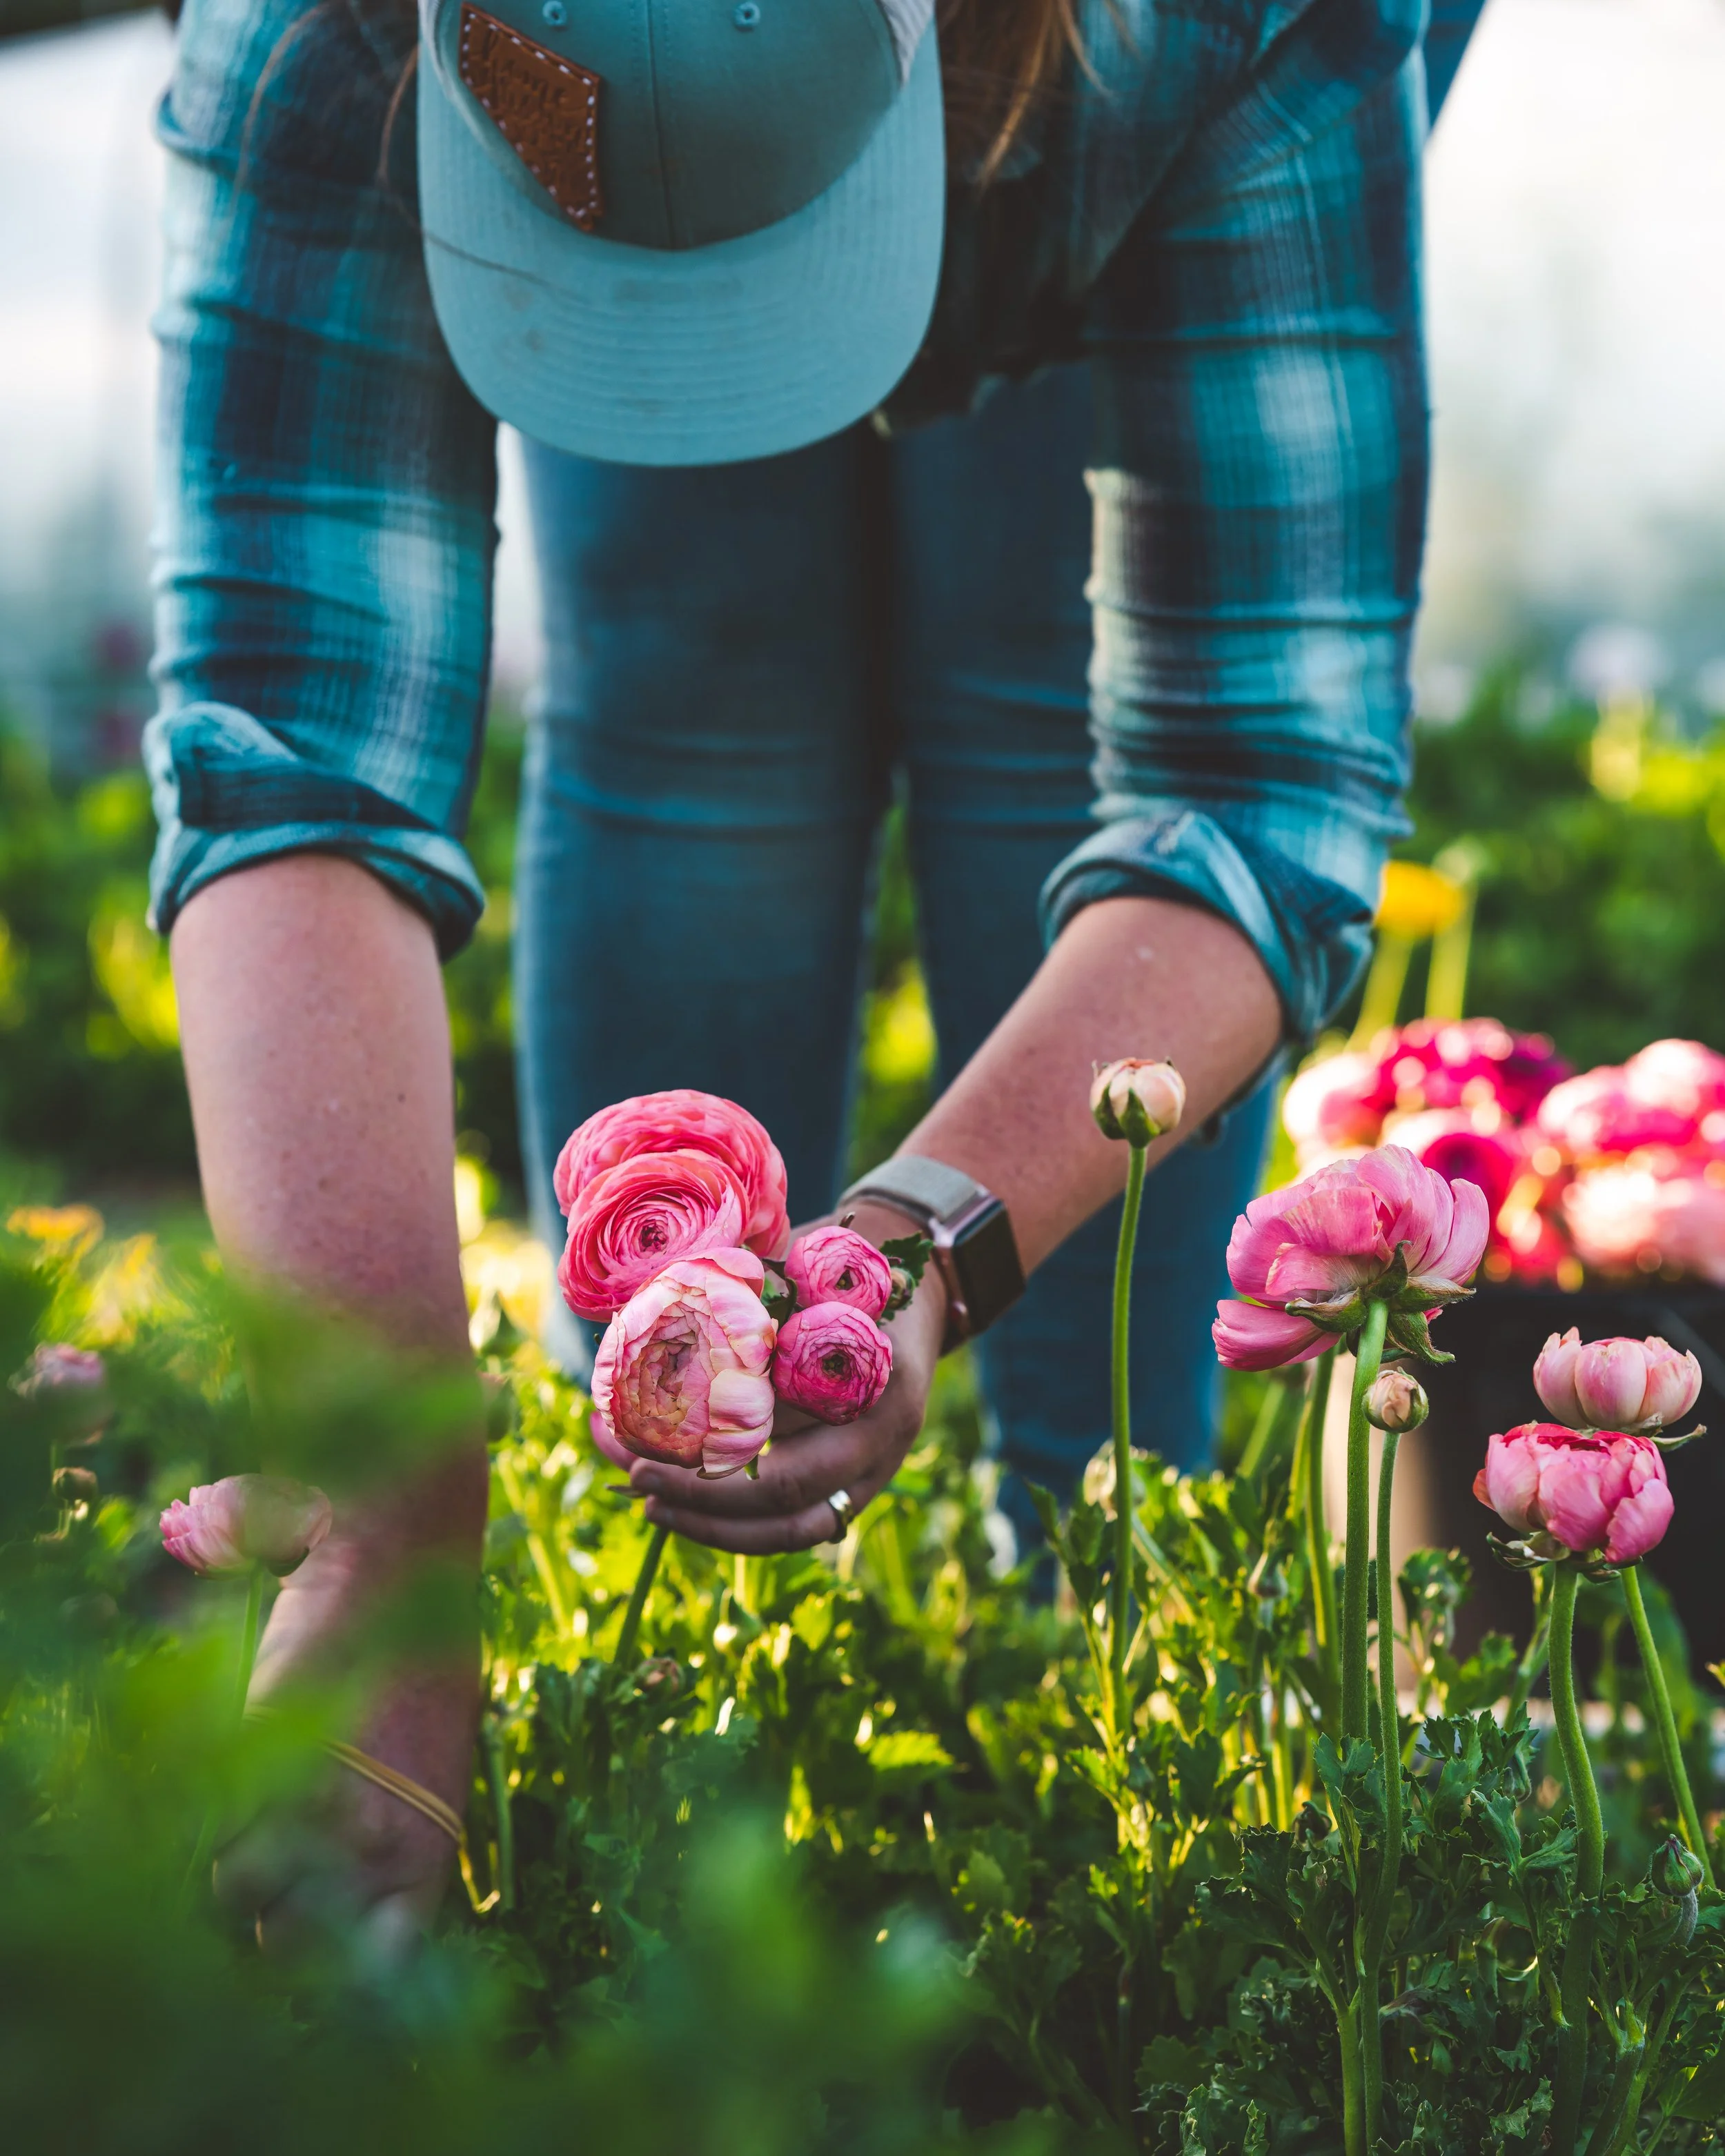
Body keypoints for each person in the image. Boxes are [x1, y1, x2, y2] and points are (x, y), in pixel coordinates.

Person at [146, 0, 1483, 1944]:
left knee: (1039, 637)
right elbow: (292, 746)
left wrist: (922, 1253)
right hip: (572, 92)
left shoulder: (1218, 29)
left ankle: (1078, 1613)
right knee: (699, 668)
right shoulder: (321, 39)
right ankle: (669, 1612)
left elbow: (1247, 772)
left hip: (1094, 85)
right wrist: (384, 1537)